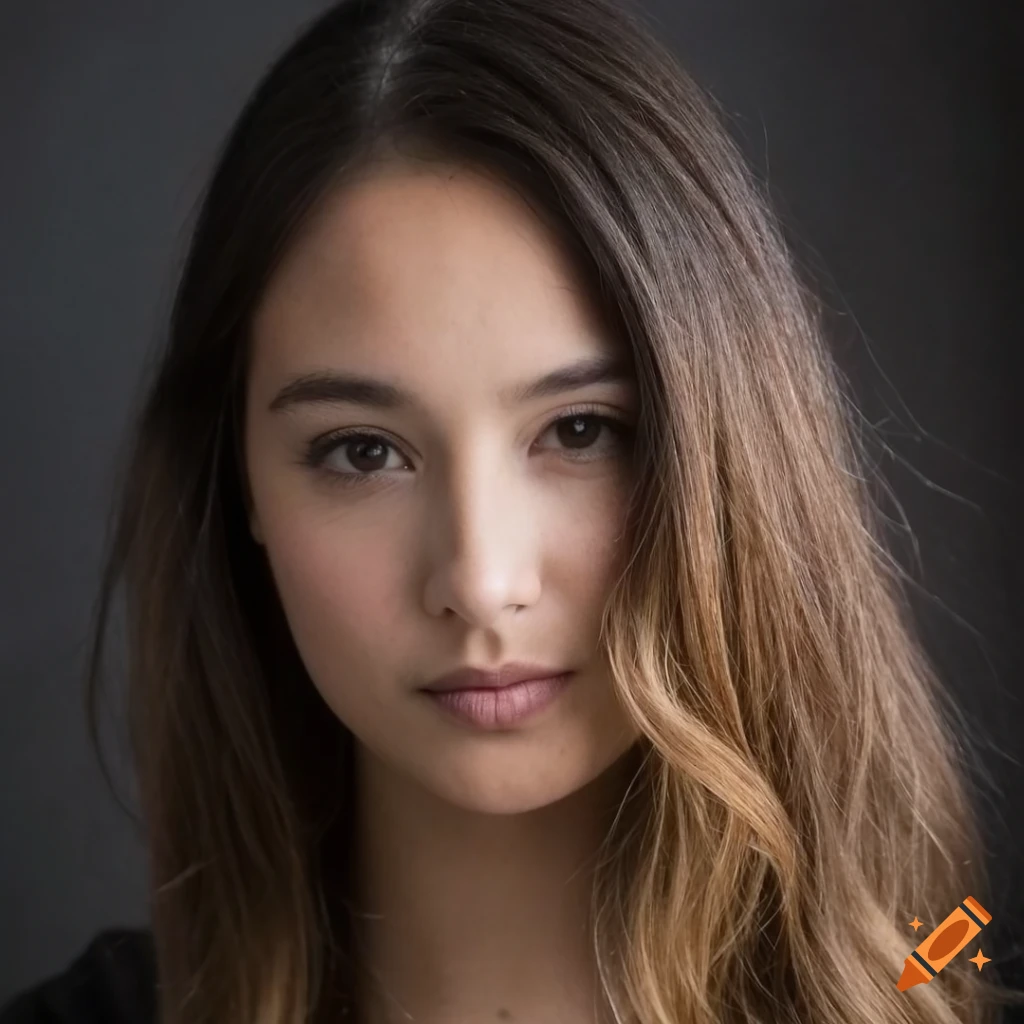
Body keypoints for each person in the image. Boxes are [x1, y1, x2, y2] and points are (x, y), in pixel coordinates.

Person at [3, 0, 1021, 1021]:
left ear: (729, 449)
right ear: (240, 483)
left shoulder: (924, 985)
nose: (483, 583)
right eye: (363, 451)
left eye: (580, 430)